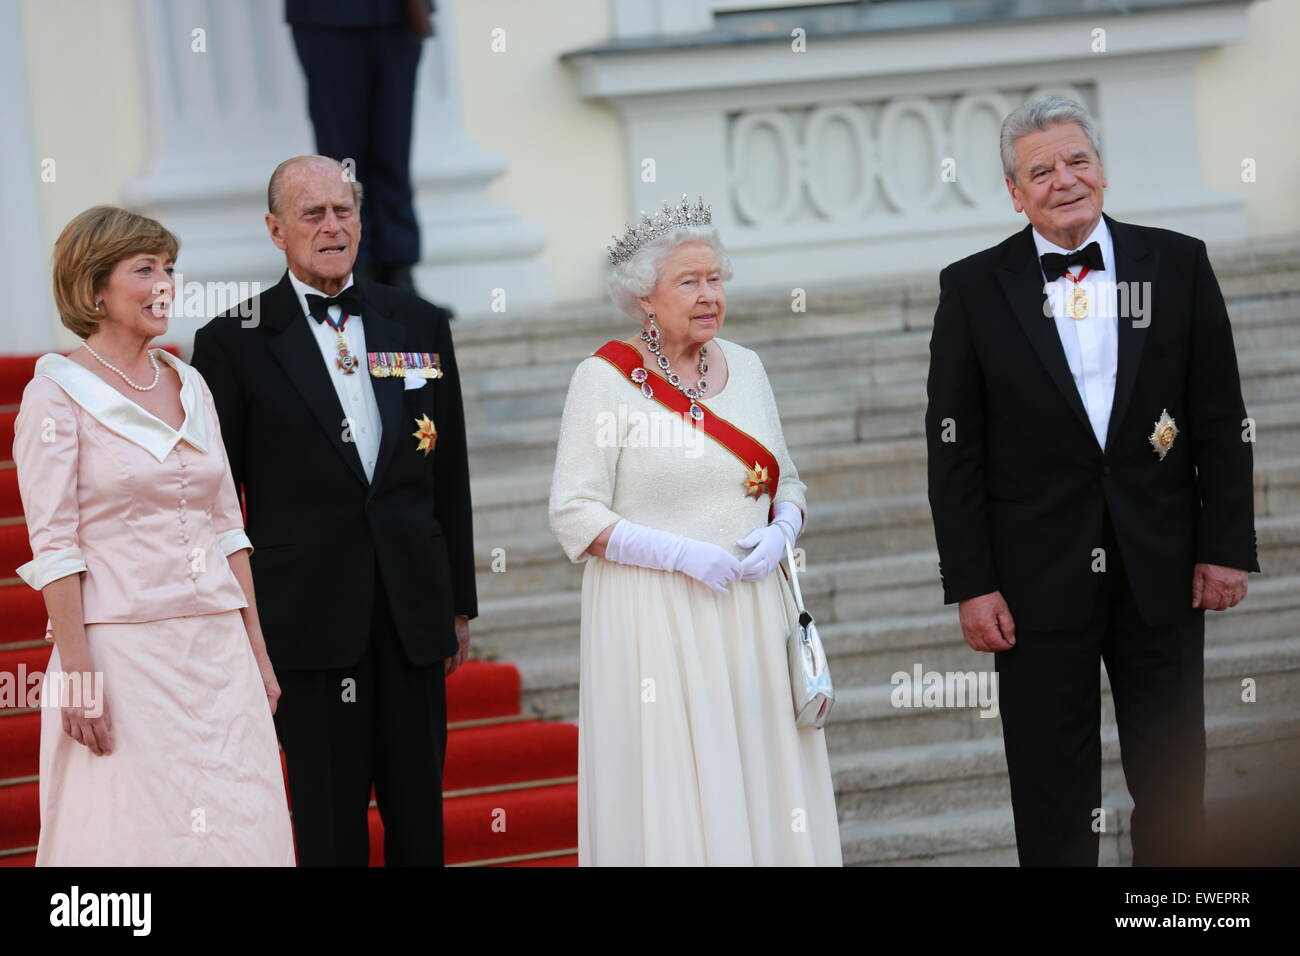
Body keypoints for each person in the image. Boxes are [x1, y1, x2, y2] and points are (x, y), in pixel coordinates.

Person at [925, 96, 1258, 866]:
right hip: (1034, 580)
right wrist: (972, 584)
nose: (1063, 179)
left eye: (1077, 160)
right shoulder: (973, 288)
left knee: (1175, 780)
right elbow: (955, 452)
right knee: (1050, 790)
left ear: (1102, 172)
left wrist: (1225, 545)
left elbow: (1221, 418)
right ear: (1015, 193)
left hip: (1163, 566)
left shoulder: (1177, 262)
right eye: (1040, 171)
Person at [191, 154, 476, 867]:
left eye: (343, 210)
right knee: (327, 825)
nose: (331, 225)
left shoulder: (417, 320)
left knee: (420, 822)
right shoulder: (232, 341)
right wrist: (236, 620)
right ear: (275, 228)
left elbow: (449, 472)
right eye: (312, 213)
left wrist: (458, 602)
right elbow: (215, 498)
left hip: (411, 611)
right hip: (306, 621)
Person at [548, 196, 842, 866]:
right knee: (681, 786)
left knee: (763, 781)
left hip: (752, 614)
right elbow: (573, 511)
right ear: (644, 298)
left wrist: (783, 531)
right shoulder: (603, 380)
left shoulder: (749, 367)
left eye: (715, 279)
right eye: (689, 281)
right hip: (657, 618)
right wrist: (678, 553)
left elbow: (787, 482)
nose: (709, 295)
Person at [12, 205, 294, 865]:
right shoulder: (53, 395)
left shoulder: (190, 383)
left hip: (218, 649)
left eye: (170, 269)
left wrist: (257, 651)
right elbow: (54, 546)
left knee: (240, 823)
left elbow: (227, 527)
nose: (166, 283)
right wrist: (78, 675)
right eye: (145, 269)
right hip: (125, 654)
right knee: (139, 833)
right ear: (94, 286)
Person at [286, 0, 435, 289]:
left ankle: (400, 271)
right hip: (327, 18)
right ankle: (356, 271)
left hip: (397, 14)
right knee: (342, 159)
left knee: (393, 149)